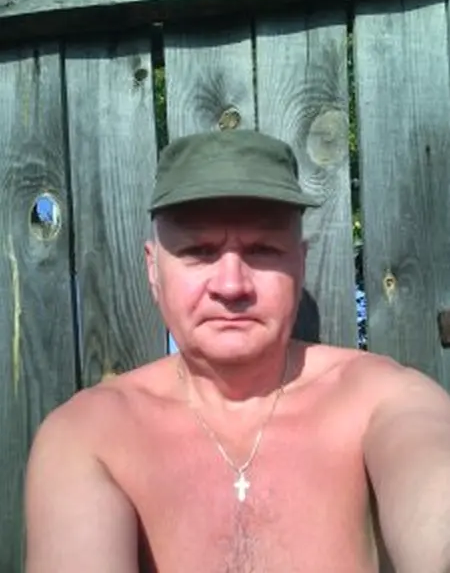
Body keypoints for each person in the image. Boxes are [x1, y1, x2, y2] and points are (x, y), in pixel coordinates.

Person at [24, 130, 450, 573]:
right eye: (198, 251)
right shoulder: (90, 436)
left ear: (299, 263)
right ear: (153, 270)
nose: (231, 286)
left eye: (263, 250)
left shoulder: (383, 401)